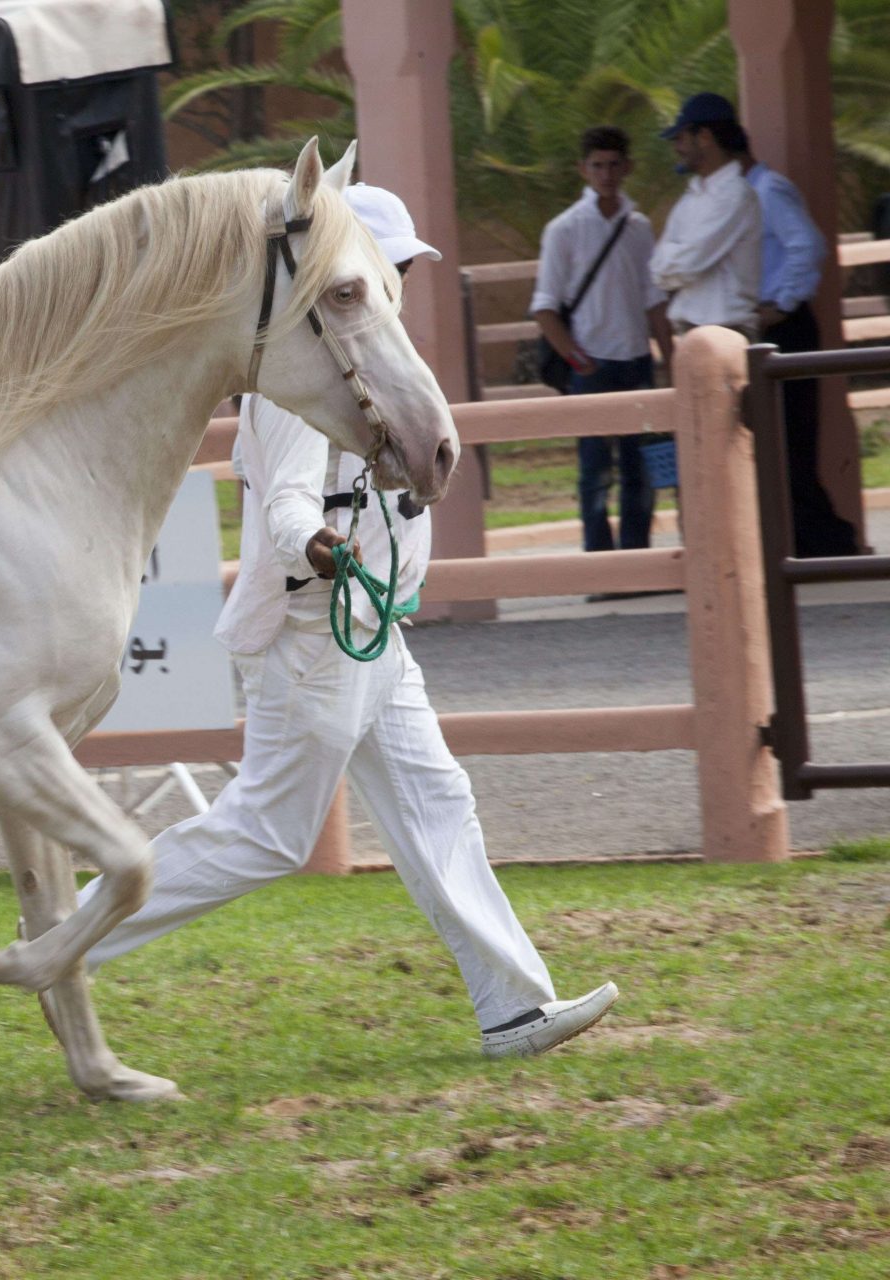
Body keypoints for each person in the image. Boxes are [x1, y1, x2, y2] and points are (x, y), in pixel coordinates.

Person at [77, 184, 619, 1060]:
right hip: (315, 630)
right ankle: (70, 941)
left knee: (437, 801)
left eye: (402, 265)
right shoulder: (303, 376)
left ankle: (514, 1007)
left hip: (367, 629)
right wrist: (319, 544)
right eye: (388, 263)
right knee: (266, 834)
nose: (400, 277)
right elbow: (286, 504)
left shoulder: (367, 358)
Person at [532, 126, 674, 556]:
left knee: (641, 467)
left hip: (636, 362)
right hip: (592, 366)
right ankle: (600, 560)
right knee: (594, 470)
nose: (607, 173)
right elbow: (544, 307)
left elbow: (654, 302)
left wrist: (670, 359)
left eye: (614, 164)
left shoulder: (638, 227)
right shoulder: (565, 229)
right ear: (583, 169)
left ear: (627, 167)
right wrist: (578, 361)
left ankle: (637, 558)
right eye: (597, 165)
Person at [737, 139, 861, 557]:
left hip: (785, 326)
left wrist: (783, 303)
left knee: (791, 438)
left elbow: (808, 244)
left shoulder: (768, 189)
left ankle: (825, 540)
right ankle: (802, 539)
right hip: (764, 325)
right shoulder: (738, 195)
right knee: (775, 438)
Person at [649, 94, 763, 337]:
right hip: (691, 331)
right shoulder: (691, 197)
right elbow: (657, 268)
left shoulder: (735, 195)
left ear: (705, 137)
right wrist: (671, 263)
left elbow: (686, 265)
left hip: (727, 330)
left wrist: (671, 259)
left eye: (681, 138)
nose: (677, 148)